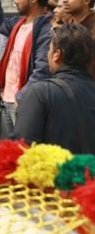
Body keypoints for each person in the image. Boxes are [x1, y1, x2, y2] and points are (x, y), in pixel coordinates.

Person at [0, 0, 52, 139]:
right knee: (8, 151)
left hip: (24, 102)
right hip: (7, 97)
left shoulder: (46, 29)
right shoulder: (18, 23)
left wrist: (22, 97)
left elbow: (42, 68)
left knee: (22, 150)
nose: (15, 2)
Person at [14, 23, 95, 153]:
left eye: (49, 49)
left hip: (53, 172)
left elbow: (21, 149)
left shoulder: (39, 93)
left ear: (57, 54)